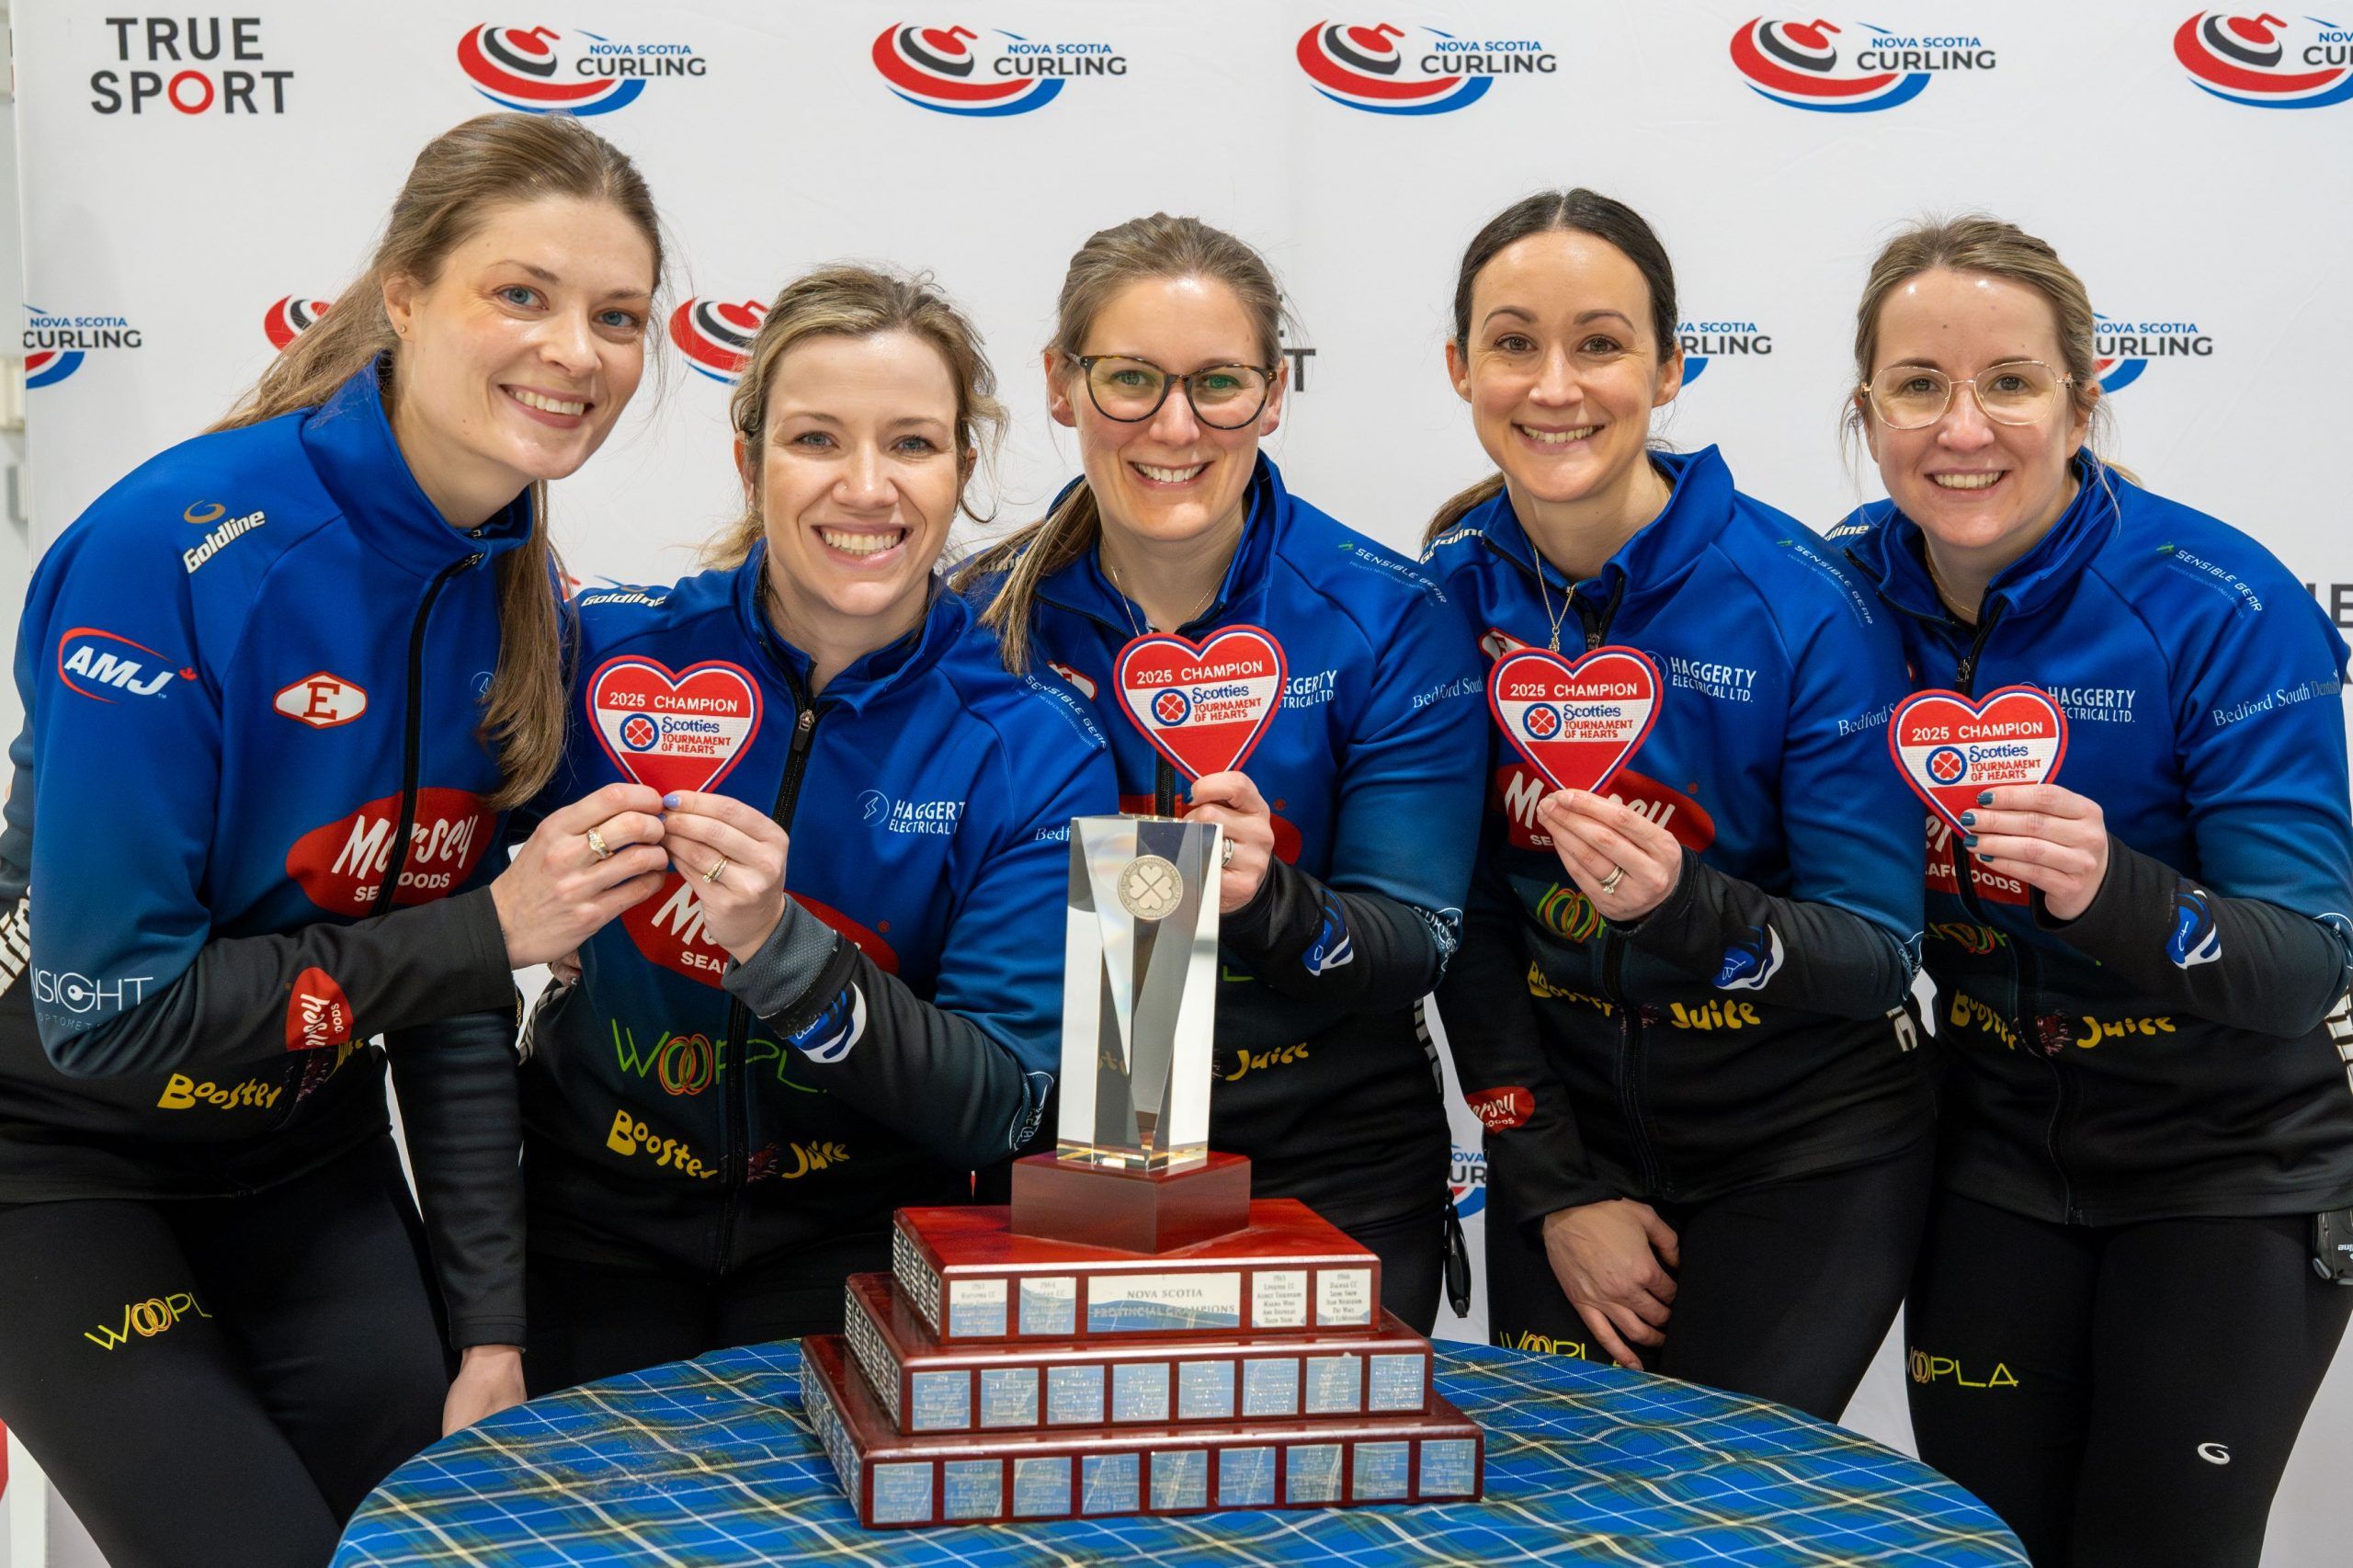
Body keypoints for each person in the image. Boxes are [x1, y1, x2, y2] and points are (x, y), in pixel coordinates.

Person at [0, 114, 674, 1568]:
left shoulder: (521, 598)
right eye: (524, 292)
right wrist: (486, 930)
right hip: (62, 1153)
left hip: (301, 1151)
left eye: (618, 317)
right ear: (405, 292)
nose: (577, 348)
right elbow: (112, 1013)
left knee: (445, 1542)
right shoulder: (173, 548)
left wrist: (491, 1326)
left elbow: (442, 991)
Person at [1836, 215, 2353, 1566]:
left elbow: (2305, 960)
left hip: (2228, 1171)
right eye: (1918, 385)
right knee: (1994, 1547)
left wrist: (2114, 889)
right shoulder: (1831, 590)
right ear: (1865, 407)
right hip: (1994, 1156)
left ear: (2082, 399)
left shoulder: (2218, 601)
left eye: (2009, 381)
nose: (1963, 428)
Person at [513, 264, 1113, 1393]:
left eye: (913, 443)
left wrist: (783, 952)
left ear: (964, 470)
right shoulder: (603, 653)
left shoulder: (1031, 744)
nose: (866, 486)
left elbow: (998, 1103)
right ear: (750, 459)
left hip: (857, 1251)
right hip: (583, 1225)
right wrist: (520, 899)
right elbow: (428, 873)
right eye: (817, 439)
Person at [1421, 189, 1930, 1418]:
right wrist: (1548, 1184)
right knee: (1552, 1527)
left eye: (1599, 344)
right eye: (1513, 343)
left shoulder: (1803, 602)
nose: (1556, 386)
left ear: (1671, 364)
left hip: (1806, 1150)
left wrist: (1686, 907)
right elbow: (1467, 929)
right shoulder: (1439, 597)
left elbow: (1874, 954)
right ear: (1459, 368)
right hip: (1578, 1143)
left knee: (1725, 1515)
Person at [958, 214, 1486, 1333]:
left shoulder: (1388, 614)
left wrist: (1272, 902)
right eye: (1131, 379)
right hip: (1062, 1153)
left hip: (1332, 1155)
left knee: (1321, 1494)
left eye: (1219, 383)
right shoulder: (974, 617)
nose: (1175, 425)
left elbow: (1416, 942)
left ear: (1274, 391)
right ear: (1060, 383)